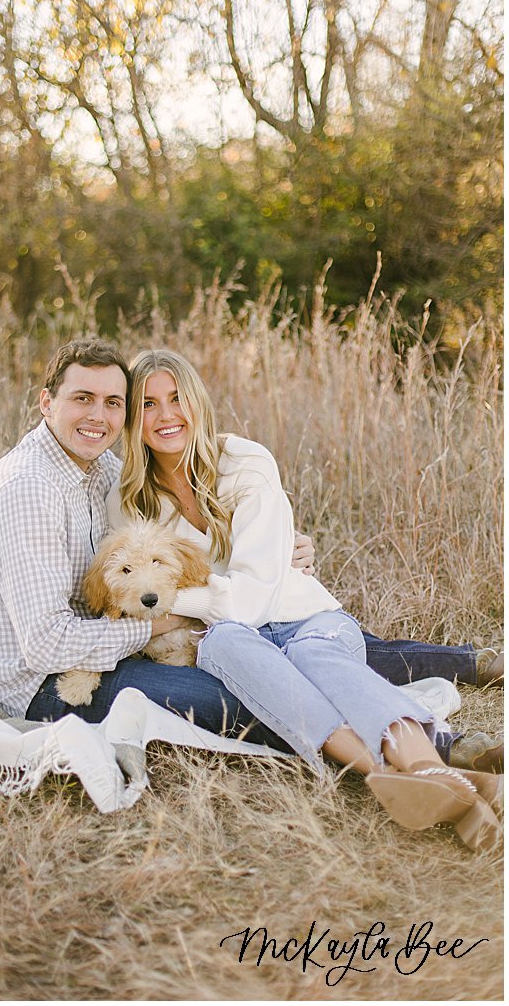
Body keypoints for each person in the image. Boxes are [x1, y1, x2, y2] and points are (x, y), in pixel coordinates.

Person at [0, 338, 500, 770]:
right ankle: (428, 754)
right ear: (46, 402)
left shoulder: (105, 468)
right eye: (82, 399)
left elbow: (166, 561)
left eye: (113, 403)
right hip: (54, 681)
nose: (99, 416)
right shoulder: (30, 490)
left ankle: (459, 686)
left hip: (121, 635)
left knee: (299, 639)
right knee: (259, 684)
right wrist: (169, 618)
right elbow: (47, 646)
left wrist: (279, 550)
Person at [109, 349, 498, 848]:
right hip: (233, 639)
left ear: (197, 402)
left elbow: (249, 599)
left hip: (305, 618)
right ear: (132, 418)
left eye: (177, 398)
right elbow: (130, 588)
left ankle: (424, 766)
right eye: (148, 404)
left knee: (314, 655)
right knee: (223, 641)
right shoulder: (130, 501)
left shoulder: (246, 463)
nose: (166, 416)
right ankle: (398, 774)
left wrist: (175, 601)